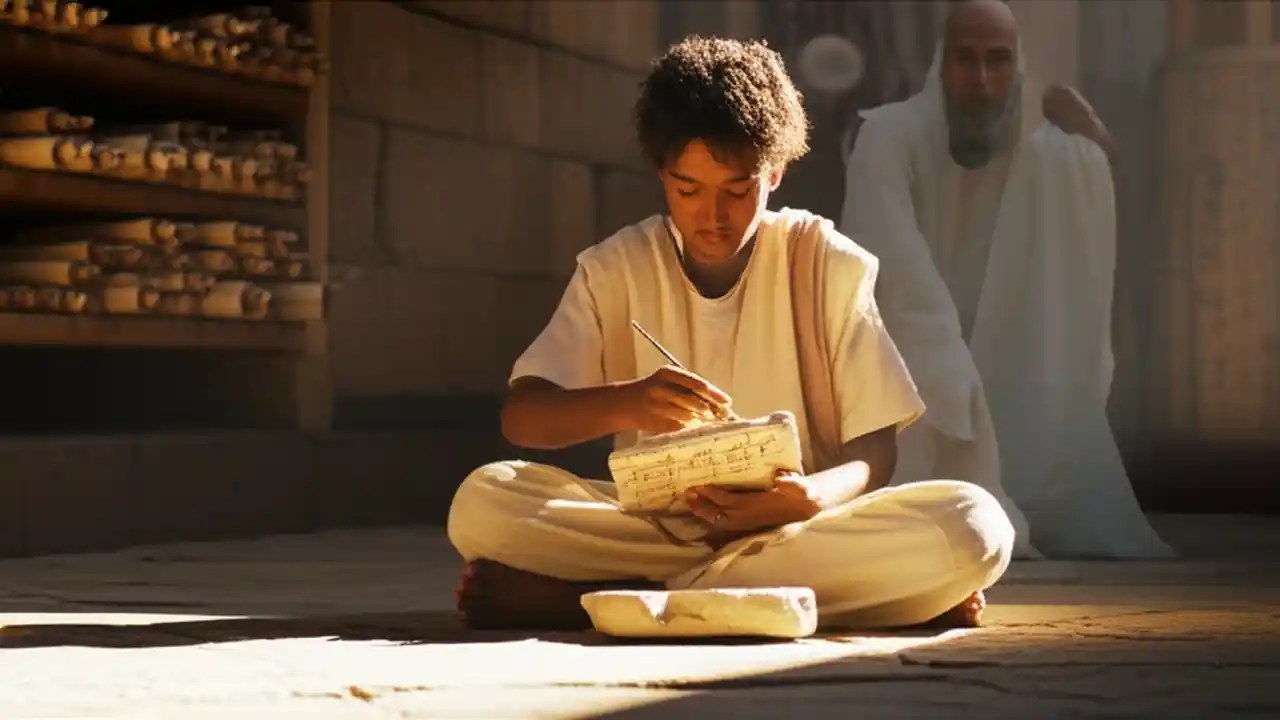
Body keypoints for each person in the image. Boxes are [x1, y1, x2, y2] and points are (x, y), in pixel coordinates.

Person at [447, 36, 1015, 632]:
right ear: (661, 174)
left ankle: (601, 598)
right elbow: (524, 417)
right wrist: (630, 401)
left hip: (793, 530)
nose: (712, 218)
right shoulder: (616, 268)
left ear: (775, 171)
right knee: (483, 503)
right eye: (687, 190)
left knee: (975, 522)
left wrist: (809, 498)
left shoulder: (823, 262)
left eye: (737, 191)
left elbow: (875, 451)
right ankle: (847, 596)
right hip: (654, 531)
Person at [840, 0, 1173, 559]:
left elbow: (1092, 187)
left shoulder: (1045, 154)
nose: (981, 78)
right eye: (966, 60)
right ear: (942, 65)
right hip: (918, 360)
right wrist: (950, 369)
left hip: (1004, 361)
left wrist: (1097, 143)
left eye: (998, 61)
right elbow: (894, 270)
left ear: (1016, 68)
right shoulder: (889, 137)